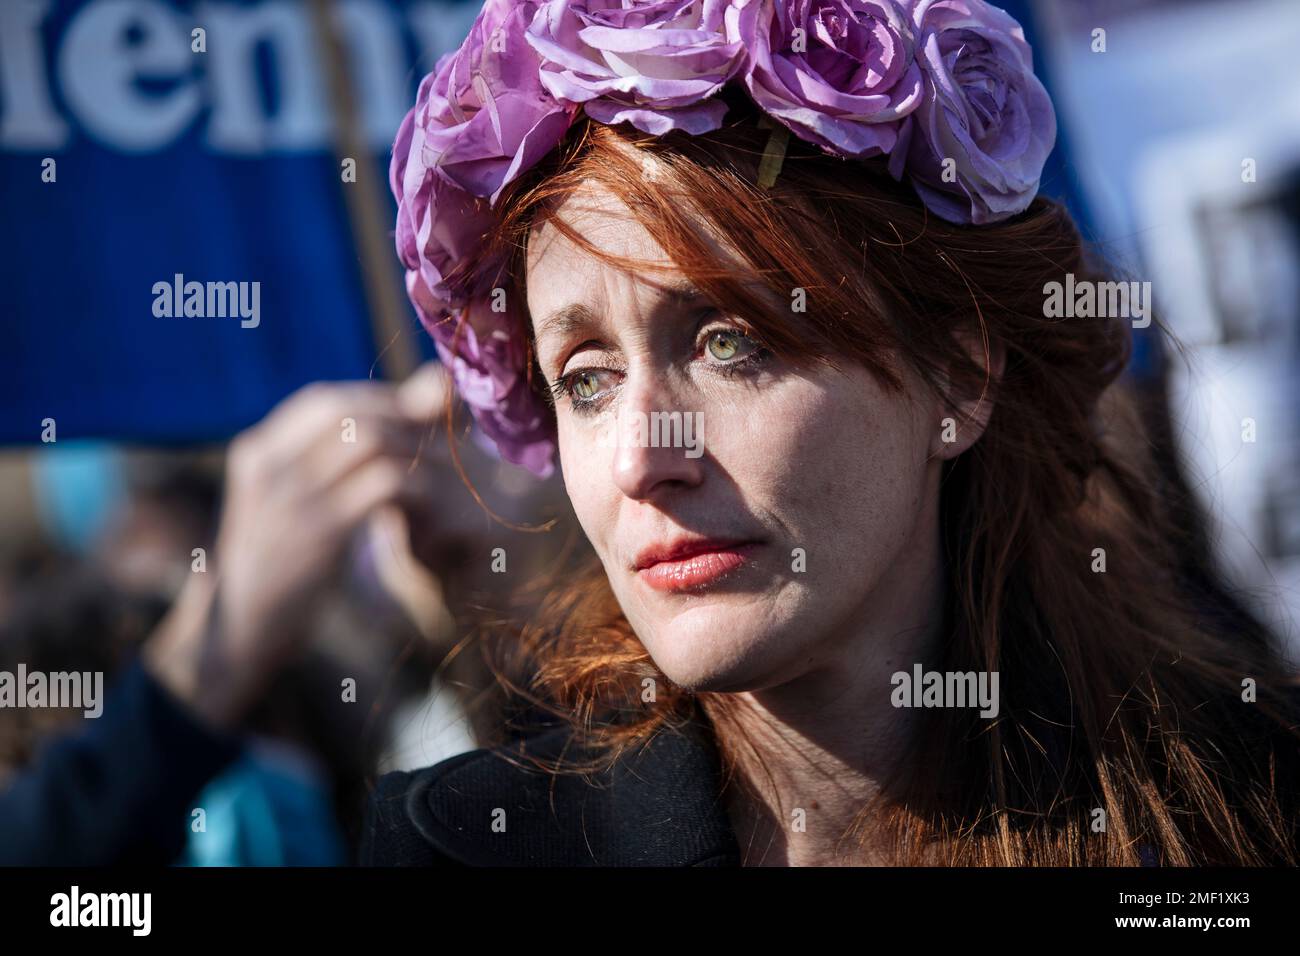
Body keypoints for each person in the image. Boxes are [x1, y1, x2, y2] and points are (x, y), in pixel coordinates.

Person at [360, 0, 1300, 867]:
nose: (641, 458)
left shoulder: (1251, 818)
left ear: (960, 379)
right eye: (588, 380)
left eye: (732, 341)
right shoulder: (462, 848)